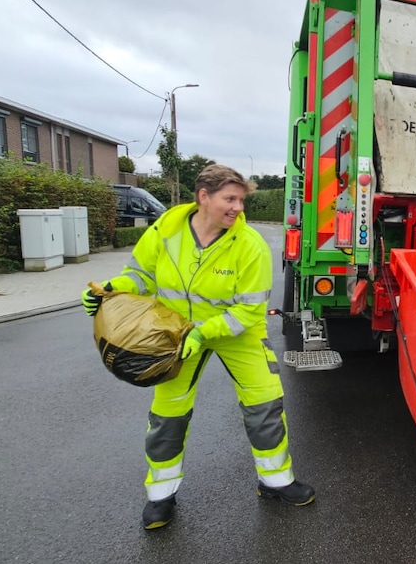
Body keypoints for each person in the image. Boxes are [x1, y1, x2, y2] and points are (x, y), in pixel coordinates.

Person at [82, 164, 314, 530]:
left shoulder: (250, 245)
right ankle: (161, 495)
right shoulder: (165, 231)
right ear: (203, 197)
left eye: (241, 199)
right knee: (168, 414)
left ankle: (275, 482)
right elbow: (140, 276)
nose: (238, 207)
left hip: (235, 333)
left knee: (264, 404)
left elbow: (248, 310)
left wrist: (203, 333)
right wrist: (111, 288)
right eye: (230, 198)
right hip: (176, 332)